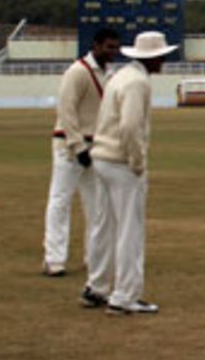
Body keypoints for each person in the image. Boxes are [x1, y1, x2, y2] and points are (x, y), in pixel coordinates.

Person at [81, 31, 178, 315]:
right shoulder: (136, 83)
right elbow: (130, 127)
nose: (164, 60)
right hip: (121, 163)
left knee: (103, 225)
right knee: (129, 230)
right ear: (154, 57)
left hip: (102, 158)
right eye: (162, 56)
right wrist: (137, 162)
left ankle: (96, 287)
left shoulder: (120, 76)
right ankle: (124, 296)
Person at [42, 28, 120, 277]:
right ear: (95, 45)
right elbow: (66, 111)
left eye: (115, 47)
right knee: (60, 201)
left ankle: (93, 257)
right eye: (109, 47)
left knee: (97, 206)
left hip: (97, 147)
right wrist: (77, 146)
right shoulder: (77, 72)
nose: (113, 52)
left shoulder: (110, 73)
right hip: (68, 146)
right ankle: (54, 260)